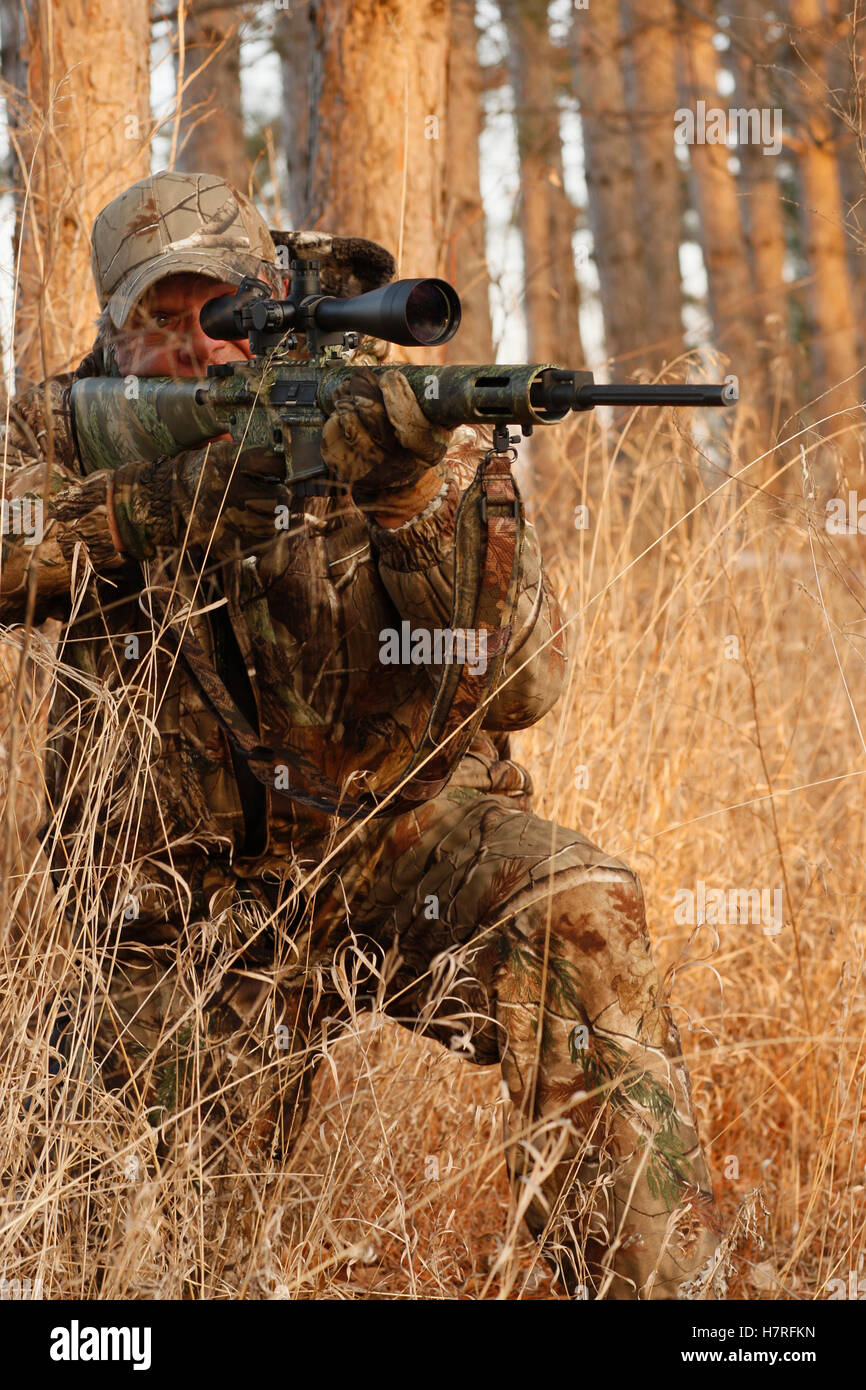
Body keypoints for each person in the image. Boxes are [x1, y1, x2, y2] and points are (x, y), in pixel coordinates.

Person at [0, 170, 724, 1299]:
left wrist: (415, 500)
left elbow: (523, 684)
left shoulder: (379, 421)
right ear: (111, 330)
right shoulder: (56, 427)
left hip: (401, 847)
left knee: (575, 906)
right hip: (180, 905)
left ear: (274, 293)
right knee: (139, 1264)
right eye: (162, 317)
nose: (200, 346)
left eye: (222, 310)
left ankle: (670, 1309)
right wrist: (204, 495)